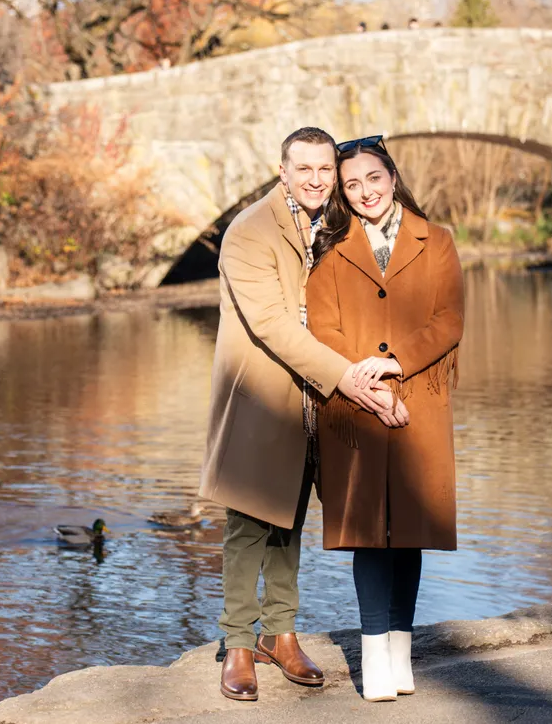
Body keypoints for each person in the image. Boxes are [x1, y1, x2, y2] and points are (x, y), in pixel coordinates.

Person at [199, 127, 406, 703]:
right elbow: (273, 326)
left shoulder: (333, 223)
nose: (316, 180)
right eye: (304, 169)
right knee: (248, 523)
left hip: (312, 401)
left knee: (289, 519)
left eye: (324, 170)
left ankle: (280, 634)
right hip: (261, 394)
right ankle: (239, 645)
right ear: (283, 171)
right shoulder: (249, 232)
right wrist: (348, 377)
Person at [306, 135, 465, 702]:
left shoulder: (436, 240)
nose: (365, 191)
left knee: (409, 535)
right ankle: (374, 654)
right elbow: (320, 331)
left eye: (373, 178)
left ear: (392, 177)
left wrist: (394, 363)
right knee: (370, 535)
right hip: (354, 405)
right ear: (344, 195)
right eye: (352, 185)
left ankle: (401, 651)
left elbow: (449, 321)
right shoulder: (330, 250)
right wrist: (363, 382)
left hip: (418, 399)